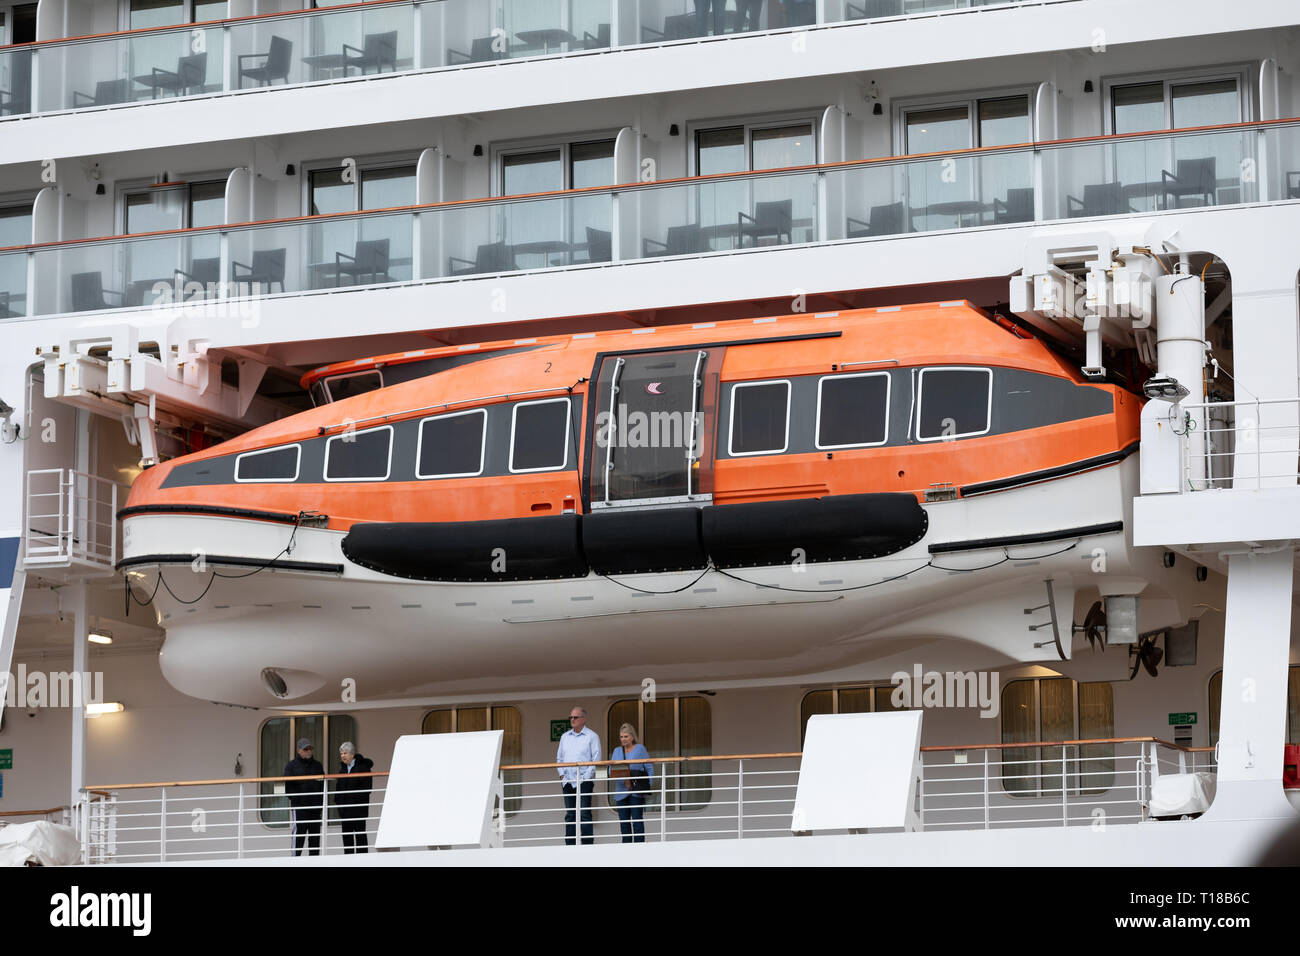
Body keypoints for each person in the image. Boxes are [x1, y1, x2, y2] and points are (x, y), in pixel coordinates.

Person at [556, 705, 601, 845]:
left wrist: (585, 778)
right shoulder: (565, 737)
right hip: (568, 781)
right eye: (571, 717)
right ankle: (570, 845)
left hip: (584, 781)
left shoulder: (592, 736)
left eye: (576, 717)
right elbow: (559, 759)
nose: (572, 719)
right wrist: (563, 776)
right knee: (570, 814)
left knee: (584, 814)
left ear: (583, 719)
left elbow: (596, 759)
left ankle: (587, 845)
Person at [610, 723, 653, 843]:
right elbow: (611, 770)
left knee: (637, 822)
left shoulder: (640, 749)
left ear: (632, 737)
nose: (623, 739)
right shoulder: (617, 751)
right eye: (621, 737)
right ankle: (626, 851)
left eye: (626, 736)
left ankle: (639, 850)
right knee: (624, 824)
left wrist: (647, 786)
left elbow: (649, 768)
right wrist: (624, 780)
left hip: (636, 791)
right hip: (621, 792)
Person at [284, 738, 325, 856]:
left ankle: (314, 862)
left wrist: (319, 802)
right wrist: (296, 800)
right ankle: (295, 861)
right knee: (299, 836)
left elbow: (322, 786)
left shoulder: (318, 765)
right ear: (298, 750)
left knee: (315, 838)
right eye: (305, 749)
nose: (308, 751)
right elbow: (288, 787)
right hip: (300, 807)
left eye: (310, 749)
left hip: (315, 808)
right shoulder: (291, 766)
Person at [333, 741, 374, 854]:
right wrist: (340, 806)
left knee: (360, 837)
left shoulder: (363, 768)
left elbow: (367, 789)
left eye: (345, 753)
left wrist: (352, 802)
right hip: (345, 811)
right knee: (347, 840)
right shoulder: (342, 769)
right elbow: (338, 791)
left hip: (358, 810)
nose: (343, 756)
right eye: (341, 753)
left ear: (352, 754)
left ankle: (363, 862)